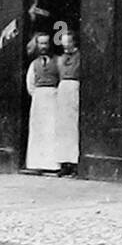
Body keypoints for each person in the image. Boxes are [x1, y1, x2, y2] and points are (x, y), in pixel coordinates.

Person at [24, 30, 61, 173]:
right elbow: (30, 84)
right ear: (37, 45)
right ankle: (36, 163)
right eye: (41, 43)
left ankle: (52, 164)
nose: (43, 46)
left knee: (51, 129)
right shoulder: (34, 64)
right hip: (39, 98)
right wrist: (37, 95)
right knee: (38, 130)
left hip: (53, 96)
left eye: (46, 43)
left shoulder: (57, 61)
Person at [54, 24, 81, 176]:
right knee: (62, 127)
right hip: (63, 90)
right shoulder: (60, 58)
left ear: (74, 42)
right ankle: (63, 162)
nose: (65, 46)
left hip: (74, 90)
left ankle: (74, 162)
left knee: (73, 127)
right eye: (63, 43)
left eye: (68, 43)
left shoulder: (80, 57)